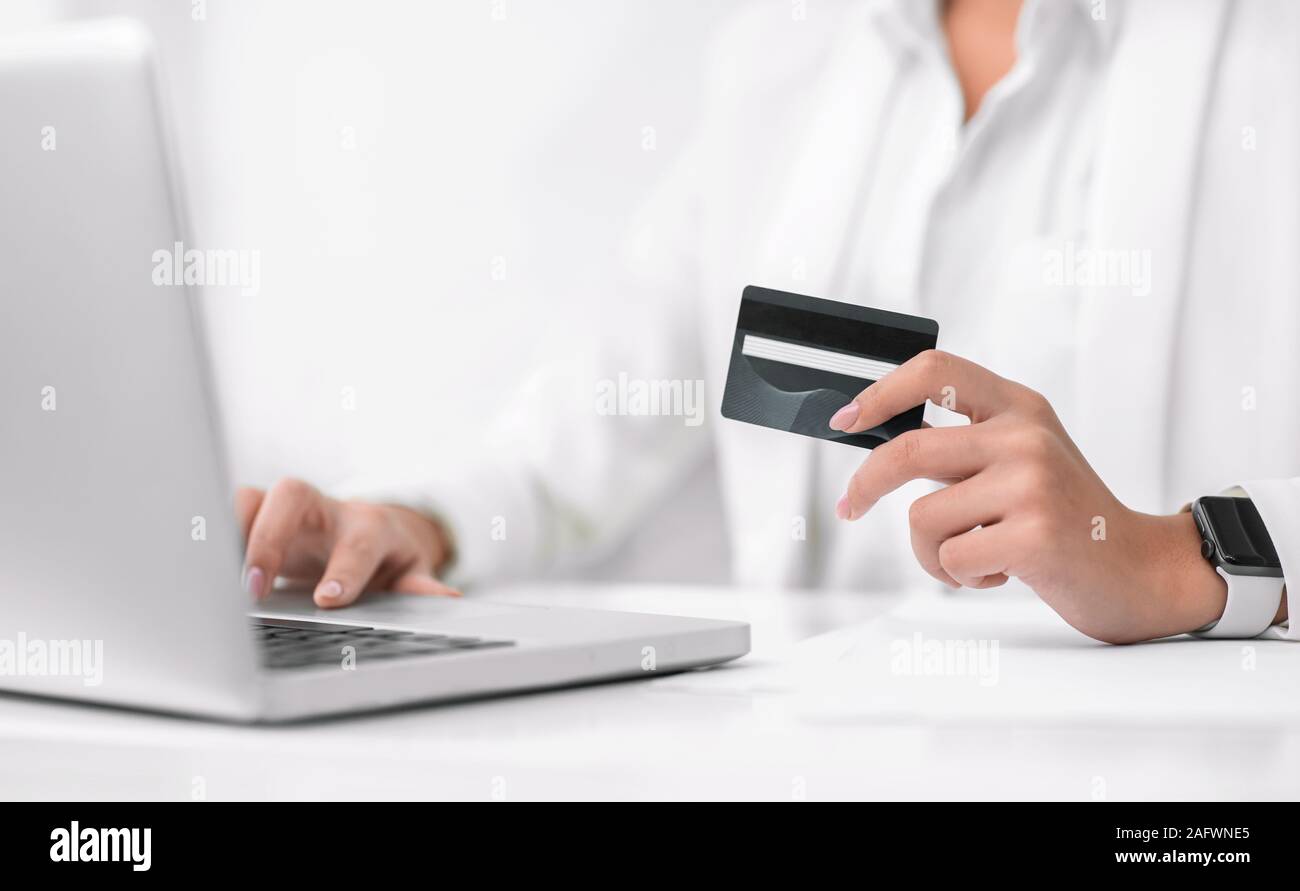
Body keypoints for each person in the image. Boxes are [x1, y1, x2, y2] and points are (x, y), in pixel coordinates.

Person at [235, 0, 1299, 644]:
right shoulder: (783, 56)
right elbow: (575, 443)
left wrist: (1177, 561)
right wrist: (416, 525)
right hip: (810, 753)